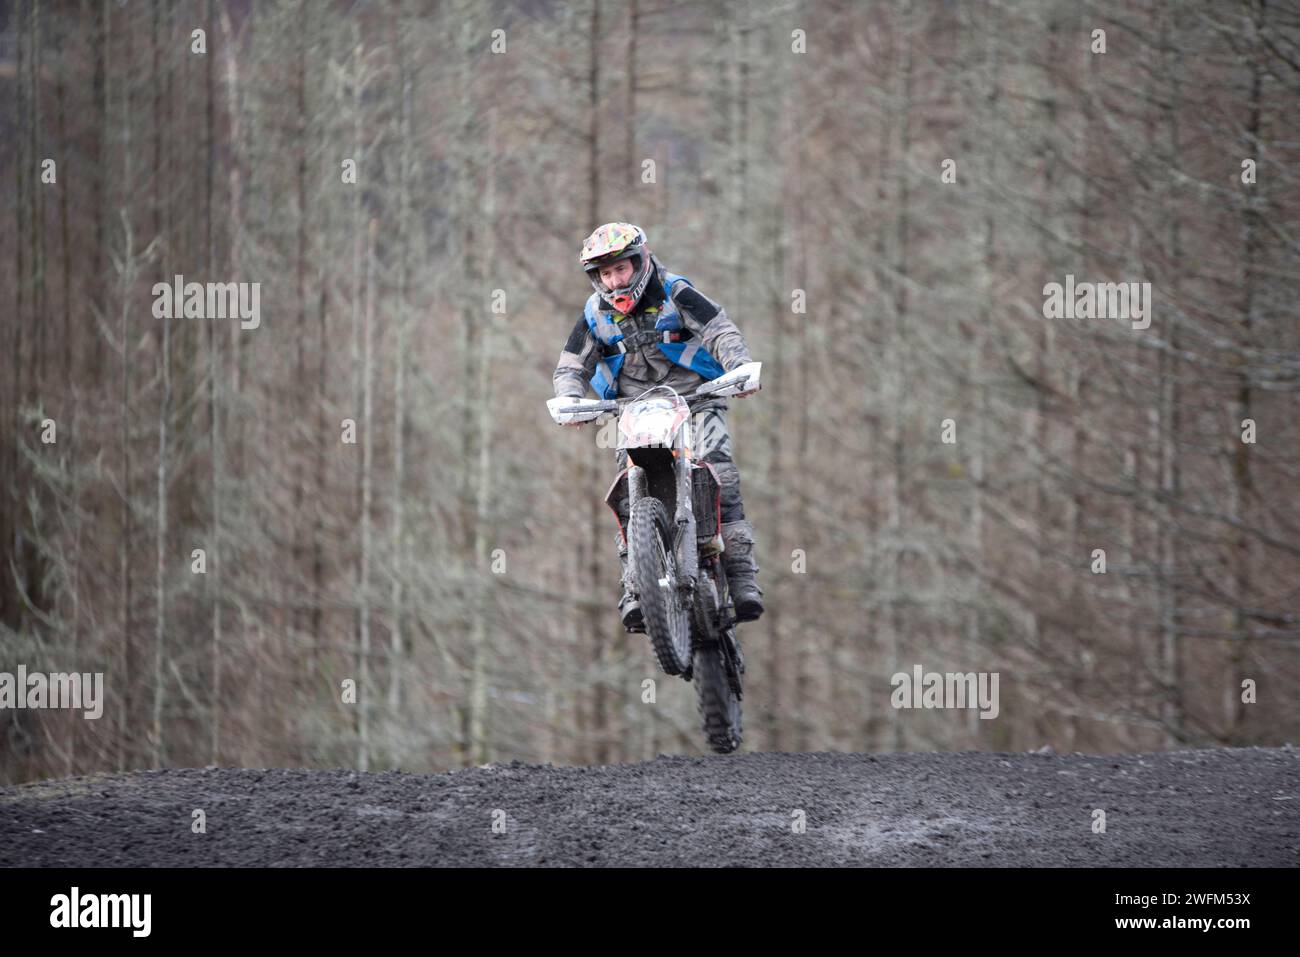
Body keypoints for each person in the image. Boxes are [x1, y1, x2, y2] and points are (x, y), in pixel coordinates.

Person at [552, 221, 764, 632]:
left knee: (723, 474)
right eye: (606, 273)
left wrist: (740, 368)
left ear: (640, 261)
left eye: (621, 269)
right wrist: (571, 400)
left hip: (696, 400)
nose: (614, 281)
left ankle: (742, 578)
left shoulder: (676, 291)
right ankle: (636, 587)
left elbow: (720, 330)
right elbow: (571, 364)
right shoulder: (594, 314)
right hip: (631, 410)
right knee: (627, 487)